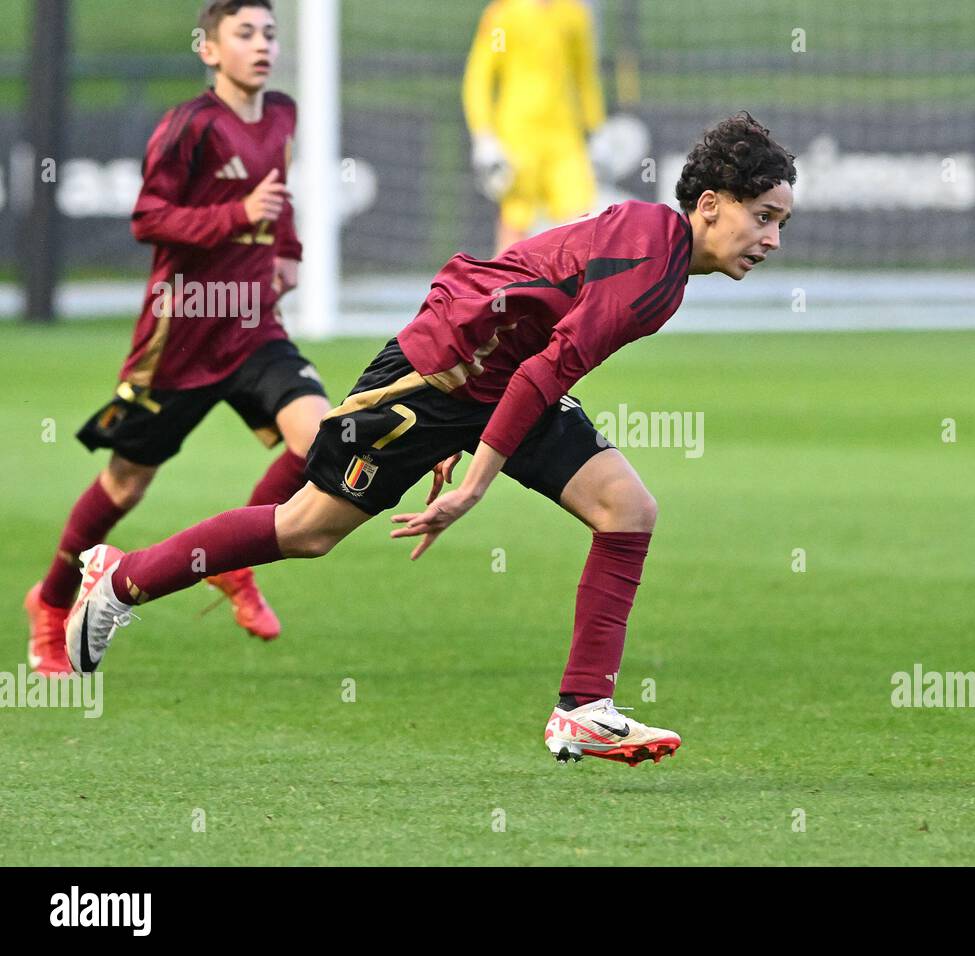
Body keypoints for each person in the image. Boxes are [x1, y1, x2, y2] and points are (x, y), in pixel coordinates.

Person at [67, 112, 796, 766]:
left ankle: (583, 711)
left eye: (780, 225)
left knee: (627, 509)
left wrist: (476, 421)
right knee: (308, 530)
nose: (770, 239)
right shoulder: (650, 267)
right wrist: (473, 481)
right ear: (709, 205)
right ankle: (121, 580)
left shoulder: (661, 256)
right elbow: (541, 364)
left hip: (494, 379)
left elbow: (520, 311)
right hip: (433, 378)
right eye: (763, 217)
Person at [23, 0, 330, 674]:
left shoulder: (281, 112)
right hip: (181, 336)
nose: (261, 45)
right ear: (210, 50)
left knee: (322, 441)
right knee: (127, 486)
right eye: (244, 33)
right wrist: (235, 215)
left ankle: (234, 564)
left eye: (270, 34)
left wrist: (289, 253)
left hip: (255, 327)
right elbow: (148, 218)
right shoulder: (189, 126)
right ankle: (49, 602)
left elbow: (280, 196)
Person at [463, 0, 607, 255]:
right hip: (517, 139)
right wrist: (483, 135)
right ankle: (503, 292)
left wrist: (597, 128)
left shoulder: (574, 14)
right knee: (514, 229)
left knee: (581, 225)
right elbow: (479, 78)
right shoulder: (502, 15)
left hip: (565, 140)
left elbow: (585, 77)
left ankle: (571, 294)